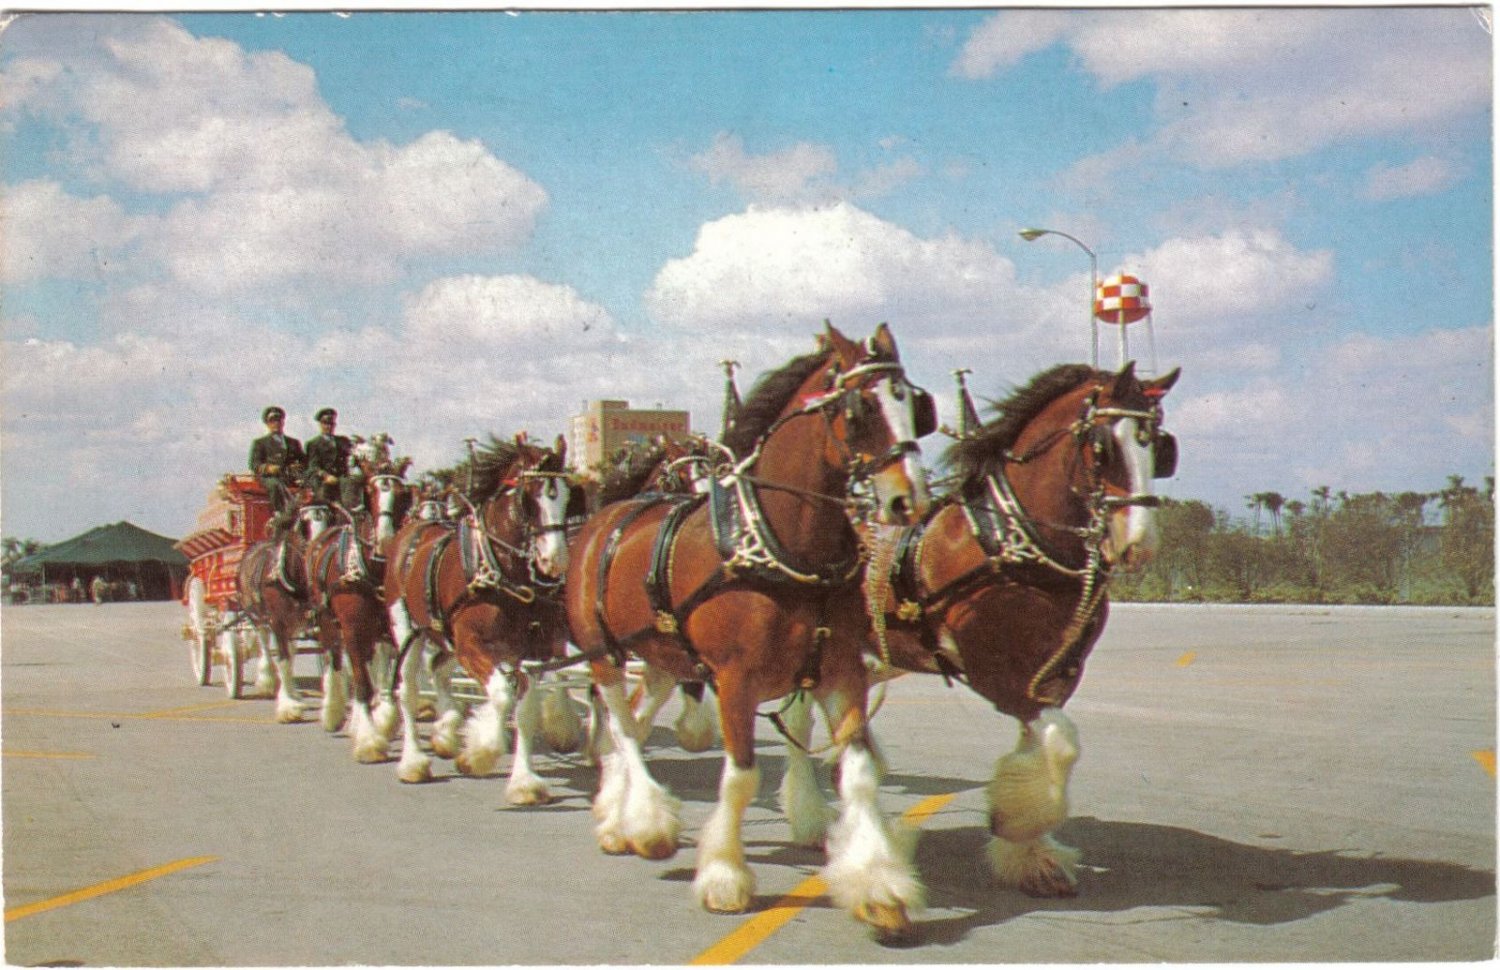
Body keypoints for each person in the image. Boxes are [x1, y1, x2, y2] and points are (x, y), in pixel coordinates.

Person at [249, 406, 306, 530]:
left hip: (290, 477)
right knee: (275, 485)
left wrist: (298, 467)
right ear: (267, 424)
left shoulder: (293, 443)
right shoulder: (260, 443)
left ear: (283, 422)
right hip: (269, 478)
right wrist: (268, 468)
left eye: (278, 420)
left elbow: (304, 462)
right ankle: (279, 514)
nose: (276, 424)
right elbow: (254, 464)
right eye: (272, 421)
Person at [303, 408, 361, 512]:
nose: (328, 427)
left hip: (342, 477)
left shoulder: (343, 441)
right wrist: (326, 476)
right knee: (323, 491)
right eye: (325, 424)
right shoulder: (313, 444)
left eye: (331, 424)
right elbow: (313, 466)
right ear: (320, 425)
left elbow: (353, 455)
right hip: (323, 478)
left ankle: (350, 512)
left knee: (351, 482)